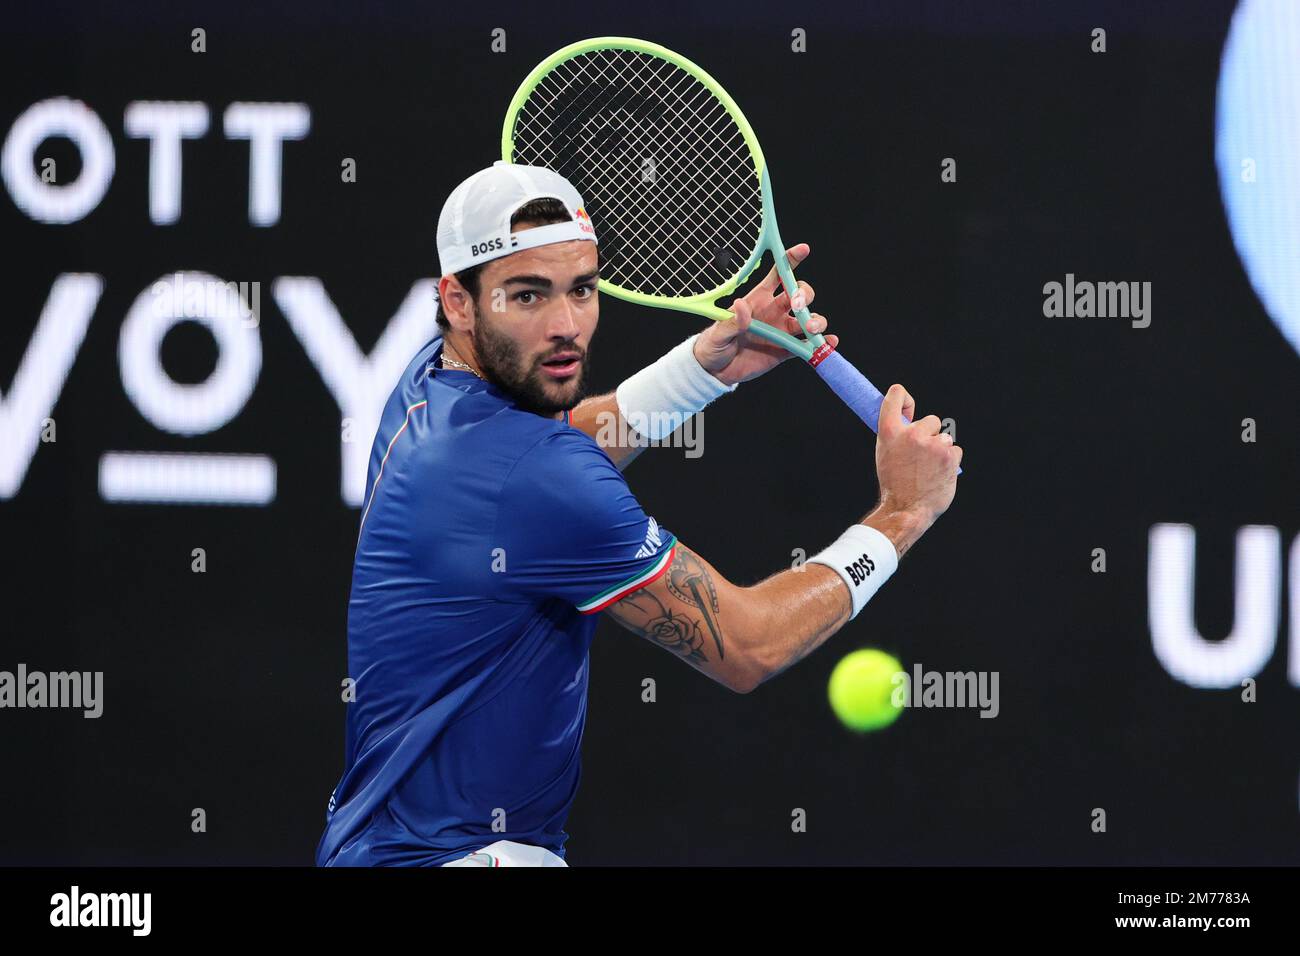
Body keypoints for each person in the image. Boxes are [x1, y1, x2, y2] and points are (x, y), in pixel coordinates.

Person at [315, 161, 961, 867]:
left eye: (582, 290)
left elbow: (551, 451)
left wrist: (704, 368)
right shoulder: (538, 477)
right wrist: (903, 513)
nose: (566, 327)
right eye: (527, 296)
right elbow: (749, 647)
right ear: (459, 301)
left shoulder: (426, 389)